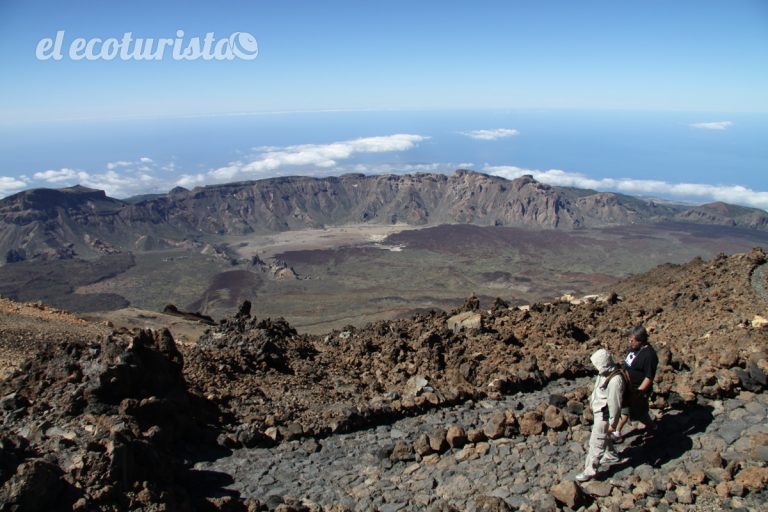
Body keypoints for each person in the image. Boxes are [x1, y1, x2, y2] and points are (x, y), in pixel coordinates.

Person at [575, 348, 626, 482]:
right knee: (603, 437)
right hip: (599, 410)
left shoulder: (615, 380)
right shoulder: (604, 373)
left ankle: (589, 471)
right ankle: (611, 456)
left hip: (604, 414)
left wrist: (613, 423)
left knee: (596, 442)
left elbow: (615, 404)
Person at [613, 325, 658, 440]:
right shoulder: (635, 348)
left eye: (632, 340)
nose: (630, 342)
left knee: (641, 414)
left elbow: (649, 377)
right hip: (627, 387)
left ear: (641, 340)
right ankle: (616, 432)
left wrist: (639, 392)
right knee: (624, 411)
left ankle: (653, 427)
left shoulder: (649, 355)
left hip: (637, 390)